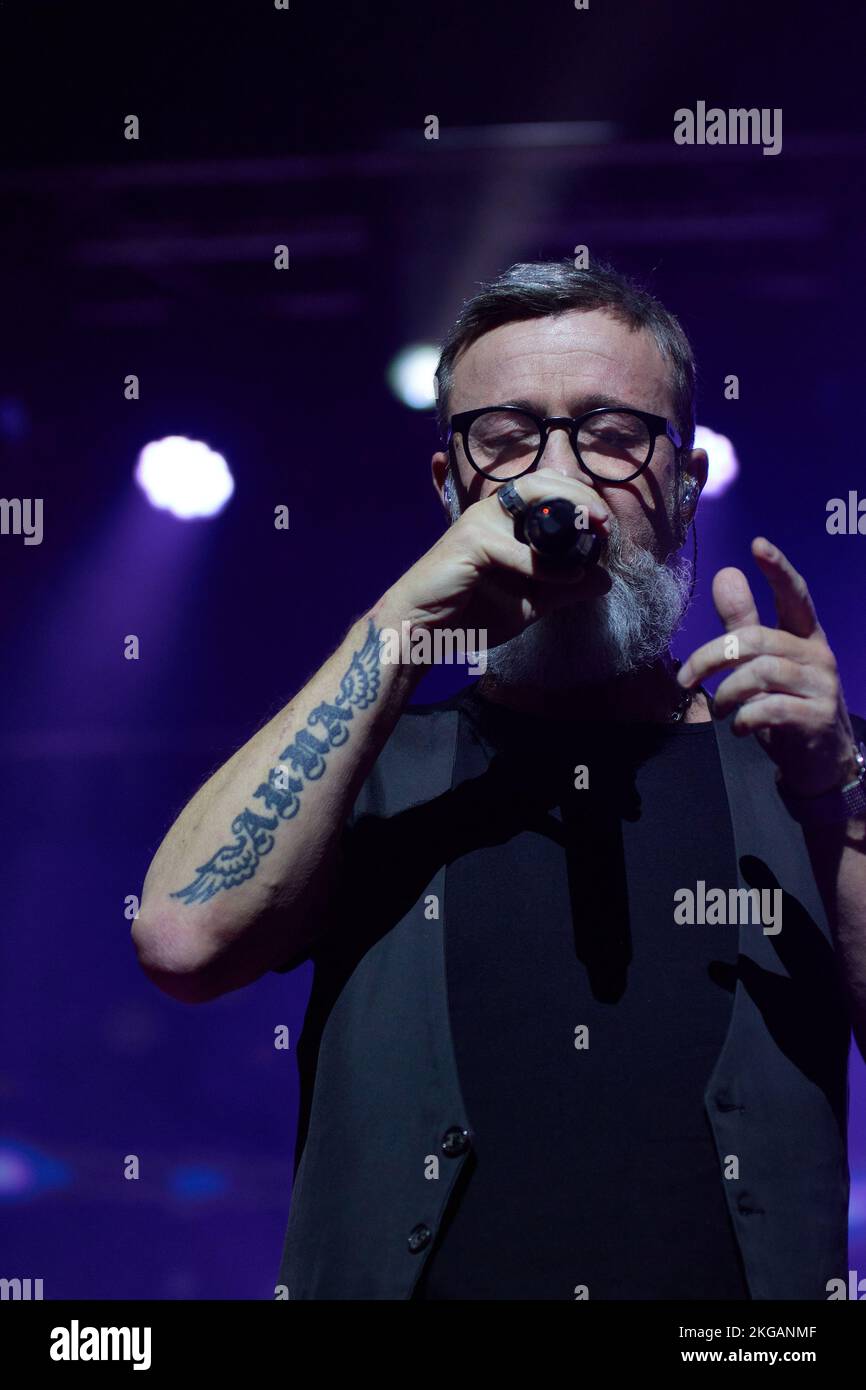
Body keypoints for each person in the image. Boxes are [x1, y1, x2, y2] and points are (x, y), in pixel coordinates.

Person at [133, 260, 866, 1300]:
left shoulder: (810, 760)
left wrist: (833, 793)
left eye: (611, 433)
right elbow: (181, 939)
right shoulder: (376, 770)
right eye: (506, 436)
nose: (554, 476)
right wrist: (401, 626)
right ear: (450, 486)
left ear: (685, 482)